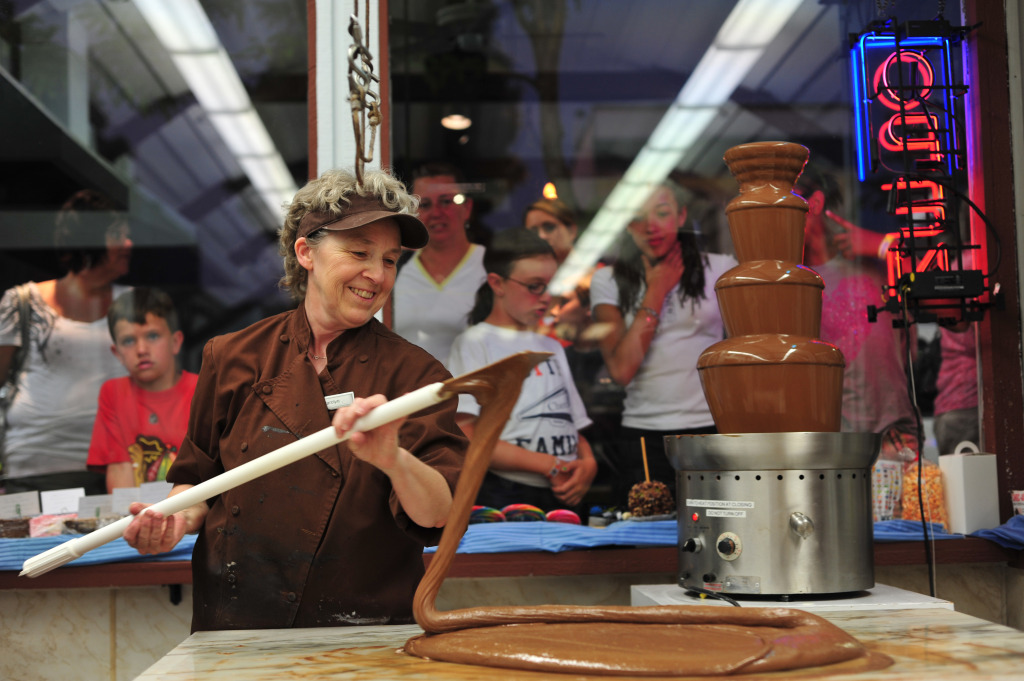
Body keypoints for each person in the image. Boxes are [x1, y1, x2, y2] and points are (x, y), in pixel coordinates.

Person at [122, 168, 467, 632]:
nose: (377, 274)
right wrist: (172, 523)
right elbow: (198, 483)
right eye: (359, 253)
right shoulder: (231, 356)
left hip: (364, 630)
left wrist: (394, 460)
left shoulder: (418, 376)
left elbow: (441, 513)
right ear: (306, 252)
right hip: (238, 620)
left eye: (389, 259)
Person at [589, 179, 736, 502]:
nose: (651, 227)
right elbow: (622, 370)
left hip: (710, 426)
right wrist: (657, 289)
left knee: (716, 530)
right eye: (638, 217)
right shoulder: (608, 280)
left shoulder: (719, 269)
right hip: (643, 431)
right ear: (627, 224)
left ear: (681, 217)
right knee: (645, 540)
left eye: (662, 213)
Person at [448, 228, 597, 512]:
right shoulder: (475, 343)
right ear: (497, 283)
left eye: (551, 286)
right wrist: (550, 465)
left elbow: (571, 422)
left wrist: (588, 463)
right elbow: (469, 434)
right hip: (506, 491)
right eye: (534, 286)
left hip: (565, 489)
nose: (546, 298)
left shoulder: (551, 346)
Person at [0, 189, 132, 495]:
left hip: (122, 468)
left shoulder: (136, 304)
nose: (128, 244)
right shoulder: (22, 302)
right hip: (33, 468)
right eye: (117, 235)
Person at [796, 166, 919, 459]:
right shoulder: (790, 285)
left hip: (895, 434)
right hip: (831, 444)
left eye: (786, 202)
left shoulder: (871, 262)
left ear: (814, 203)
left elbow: (939, 293)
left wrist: (881, 246)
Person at [86, 288, 198, 492]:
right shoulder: (114, 393)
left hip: (194, 513)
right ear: (117, 352)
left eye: (153, 336)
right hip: (139, 516)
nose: (141, 350)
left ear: (176, 342)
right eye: (128, 341)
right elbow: (120, 476)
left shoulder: (202, 389)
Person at [391, 162, 487, 369]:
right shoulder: (394, 270)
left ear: (467, 208)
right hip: (407, 398)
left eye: (446, 201)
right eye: (425, 205)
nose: (436, 213)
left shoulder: (492, 266)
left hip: (474, 397)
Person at [933, 325, 980, 454]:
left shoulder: (946, 312)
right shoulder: (971, 327)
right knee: (971, 470)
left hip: (945, 408)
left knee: (954, 470)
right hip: (967, 407)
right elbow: (976, 343)